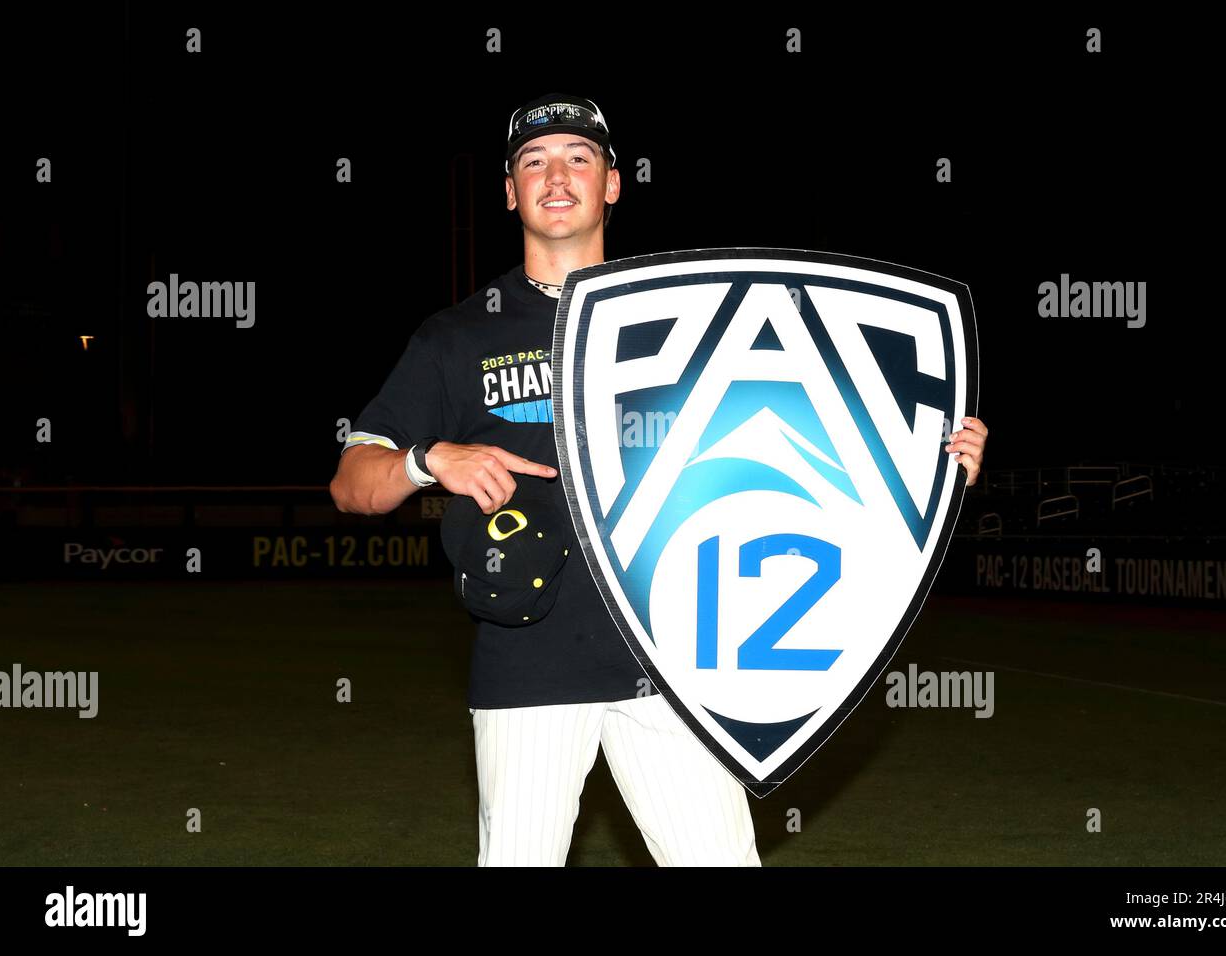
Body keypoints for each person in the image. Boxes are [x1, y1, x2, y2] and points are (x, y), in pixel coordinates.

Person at [329, 92, 990, 867]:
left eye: (580, 158)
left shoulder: (683, 317)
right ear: (509, 192)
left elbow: (790, 450)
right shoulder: (457, 335)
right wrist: (427, 458)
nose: (557, 175)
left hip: (677, 661)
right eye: (533, 162)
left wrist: (927, 464)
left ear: (613, 184)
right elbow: (351, 482)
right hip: (529, 667)